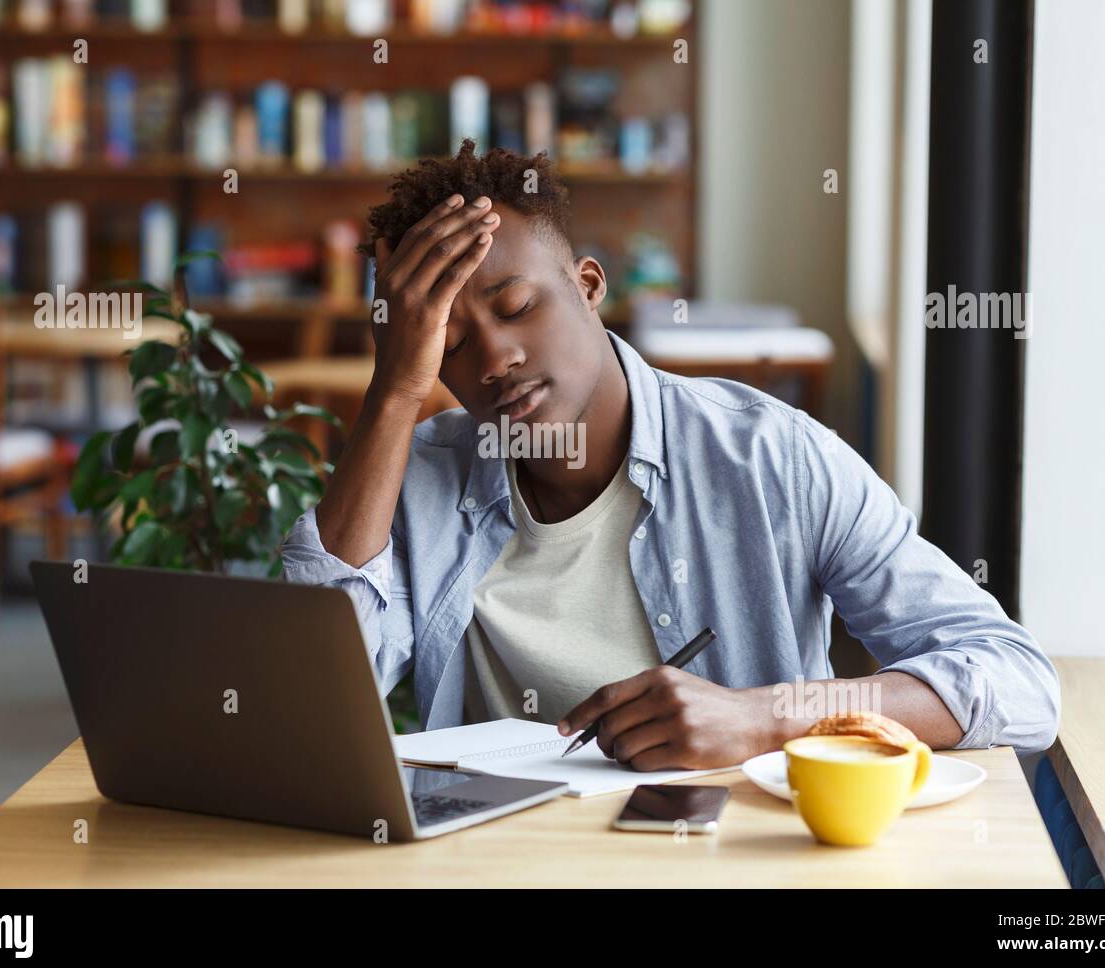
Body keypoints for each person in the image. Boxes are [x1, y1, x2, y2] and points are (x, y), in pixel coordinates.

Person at [282, 139, 1059, 770]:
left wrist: (768, 717)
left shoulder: (773, 458)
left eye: (518, 306)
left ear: (588, 286)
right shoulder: (415, 476)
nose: (497, 358)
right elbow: (314, 702)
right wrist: (394, 387)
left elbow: (1017, 681)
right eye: (449, 341)